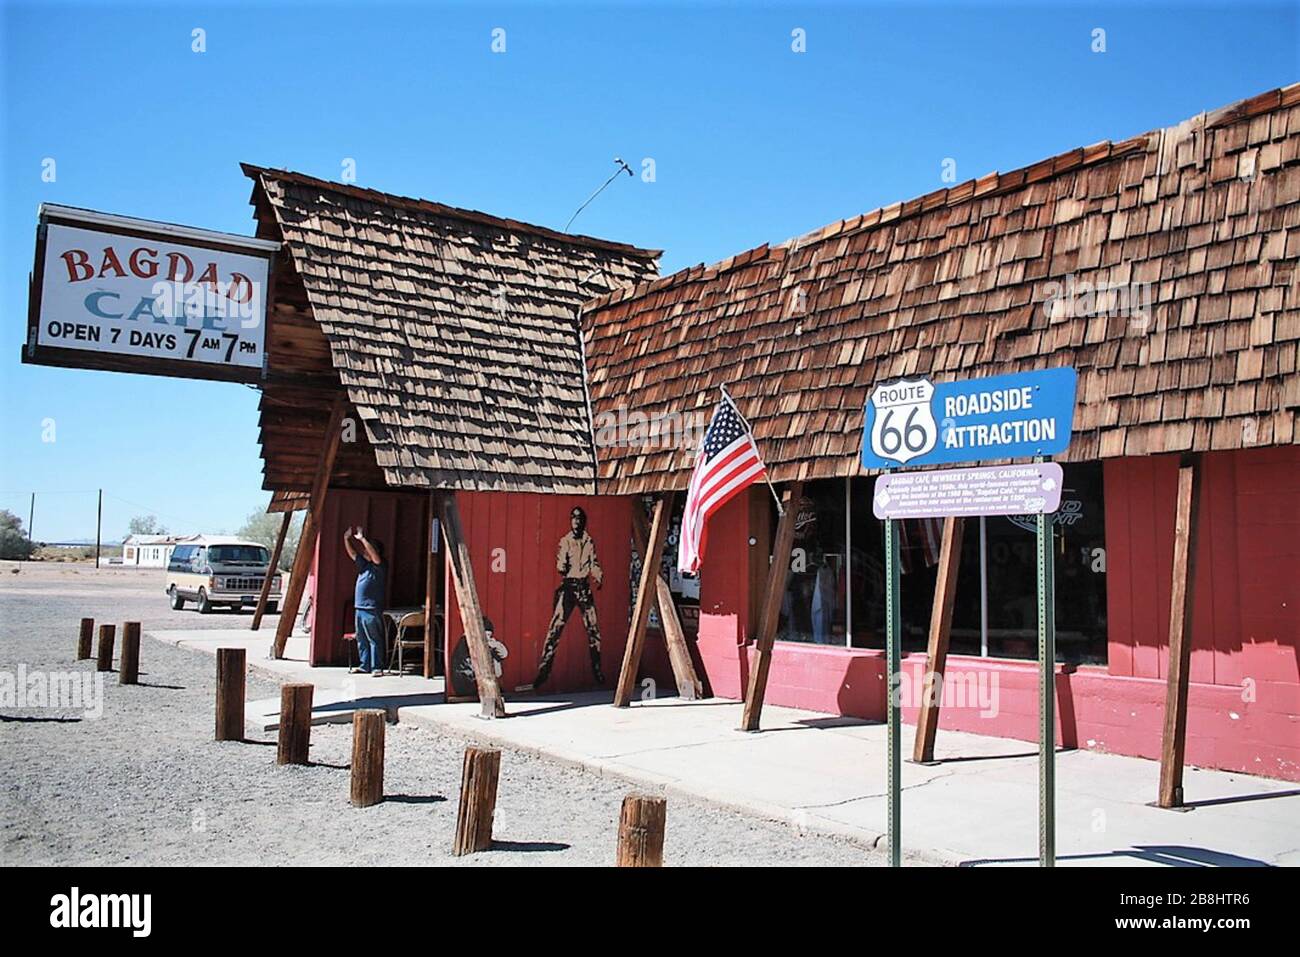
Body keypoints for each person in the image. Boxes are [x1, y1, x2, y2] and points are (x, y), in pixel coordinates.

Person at [532, 506, 603, 688]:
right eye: (574, 518)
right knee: (555, 628)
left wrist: (598, 575)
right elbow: (560, 565)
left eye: (580, 519)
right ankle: (544, 670)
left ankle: (597, 669)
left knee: (593, 630)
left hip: (584, 586)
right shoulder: (566, 541)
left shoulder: (588, 541)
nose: (577, 522)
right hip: (570, 586)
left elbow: (593, 562)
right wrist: (564, 564)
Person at [344, 526, 387, 676]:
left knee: (374, 638)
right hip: (359, 608)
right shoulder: (365, 566)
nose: (364, 552)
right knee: (361, 639)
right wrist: (346, 539)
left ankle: (377, 667)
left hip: (371, 608)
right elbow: (353, 554)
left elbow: (375, 556)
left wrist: (363, 539)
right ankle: (365, 665)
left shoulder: (379, 566)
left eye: (367, 550)